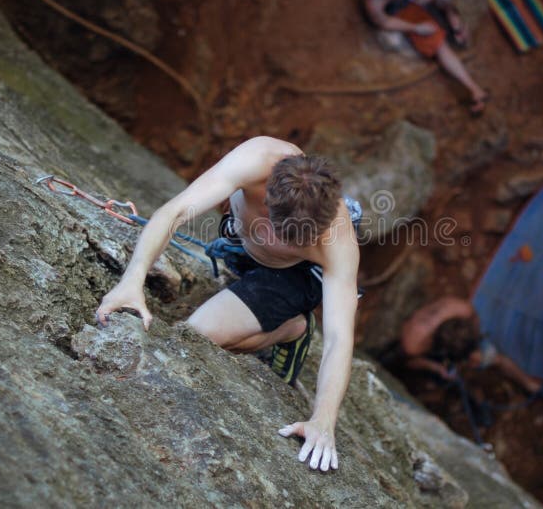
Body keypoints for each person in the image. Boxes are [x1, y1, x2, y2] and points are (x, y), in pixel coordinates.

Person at [95, 137, 360, 473]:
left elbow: (339, 338)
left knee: (197, 334)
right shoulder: (256, 159)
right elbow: (175, 212)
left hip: (297, 276)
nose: (281, 241)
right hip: (242, 245)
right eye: (280, 231)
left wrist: (323, 420)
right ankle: (267, 302)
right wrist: (131, 281)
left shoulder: (337, 240)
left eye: (296, 241)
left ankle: (294, 328)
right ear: (267, 196)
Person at [362, 0, 489, 116]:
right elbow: (384, 22)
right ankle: (475, 90)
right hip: (402, 7)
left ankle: (451, 14)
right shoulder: (372, 0)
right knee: (436, 41)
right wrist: (415, 27)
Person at [399, 296, 543, 399]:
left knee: (496, 359)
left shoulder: (459, 308)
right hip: (435, 352)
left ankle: (531, 385)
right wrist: (436, 368)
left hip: (465, 341)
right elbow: (412, 362)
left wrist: (477, 349)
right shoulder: (413, 344)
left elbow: (474, 321)